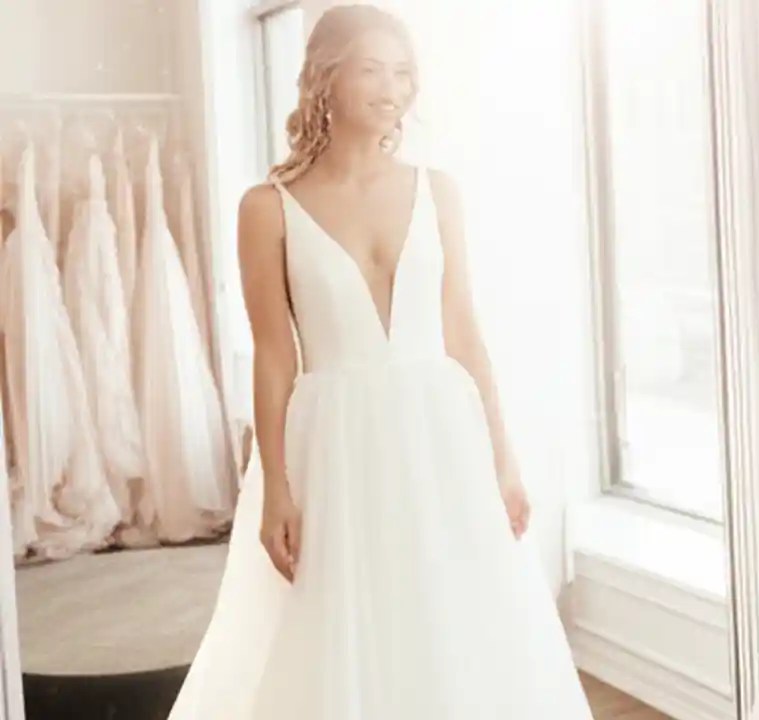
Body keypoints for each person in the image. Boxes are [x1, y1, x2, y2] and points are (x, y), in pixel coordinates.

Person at [167, 6, 594, 718]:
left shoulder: (438, 191)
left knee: (454, 618)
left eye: (402, 72)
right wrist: (275, 487)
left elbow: (464, 333)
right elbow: (274, 356)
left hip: (439, 436)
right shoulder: (267, 208)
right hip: (335, 444)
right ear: (325, 78)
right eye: (371, 69)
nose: (391, 88)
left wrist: (504, 459)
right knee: (345, 625)